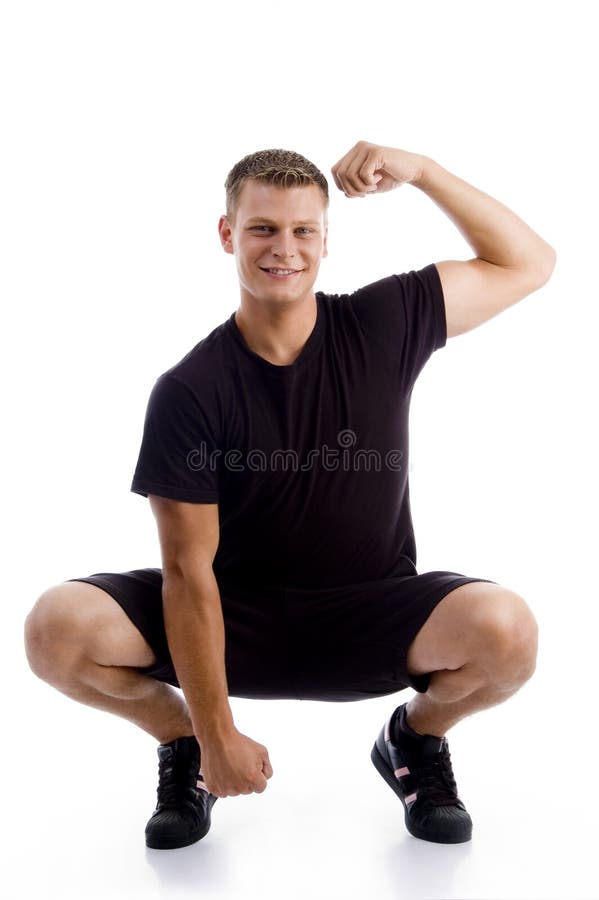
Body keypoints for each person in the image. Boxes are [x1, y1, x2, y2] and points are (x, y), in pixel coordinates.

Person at [24, 141, 555, 849]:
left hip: (370, 611)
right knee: (56, 629)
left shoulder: (382, 323)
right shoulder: (191, 390)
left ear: (326, 241)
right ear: (227, 235)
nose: (285, 248)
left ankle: (413, 742)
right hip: (232, 620)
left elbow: (528, 263)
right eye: (262, 229)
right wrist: (214, 734)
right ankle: (183, 749)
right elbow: (188, 572)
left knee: (507, 631)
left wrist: (421, 171)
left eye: (303, 230)